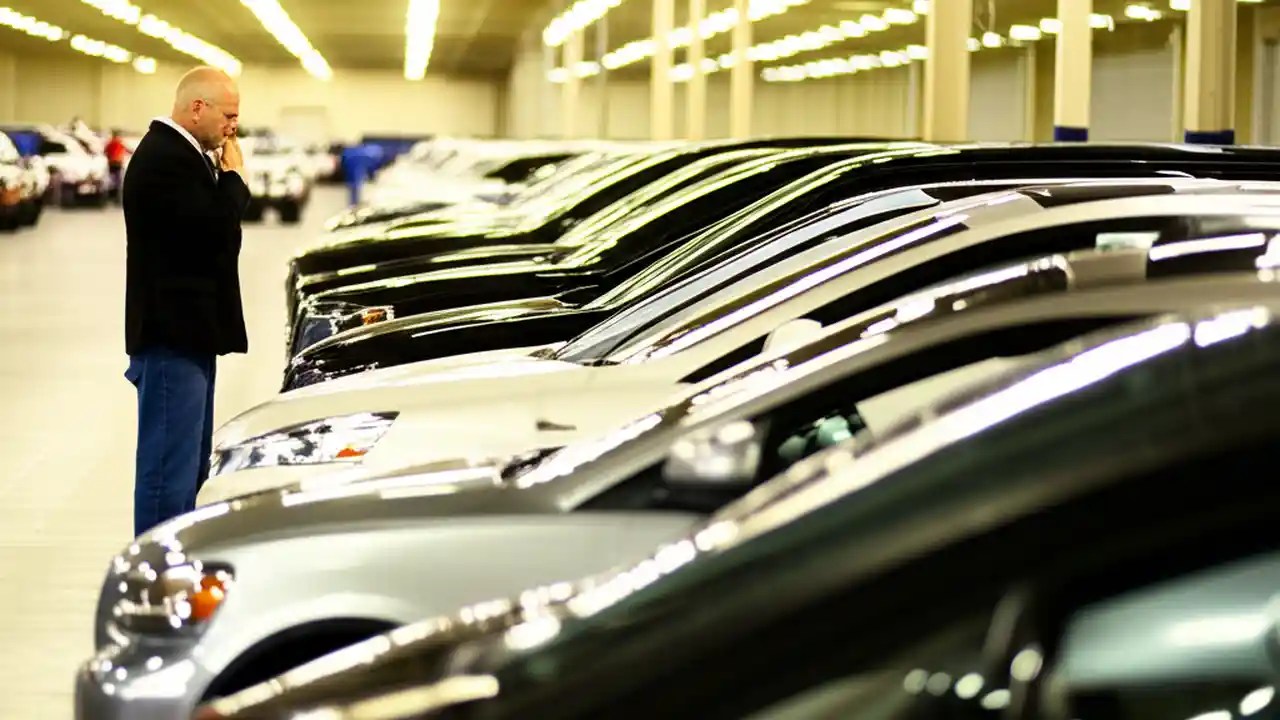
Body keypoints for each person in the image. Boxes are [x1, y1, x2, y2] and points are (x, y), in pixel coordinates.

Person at [122, 66, 249, 536]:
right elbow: (215, 232)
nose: (233, 127)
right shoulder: (165, 159)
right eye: (229, 115)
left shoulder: (185, 156)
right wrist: (234, 180)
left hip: (189, 337)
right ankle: (154, 574)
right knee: (166, 475)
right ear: (198, 107)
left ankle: (177, 558)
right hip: (170, 340)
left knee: (189, 469)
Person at [104, 131, 129, 203]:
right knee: (119, 181)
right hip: (118, 163)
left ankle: (109, 196)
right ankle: (118, 198)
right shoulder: (120, 143)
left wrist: (109, 157)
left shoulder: (109, 143)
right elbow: (128, 150)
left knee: (111, 180)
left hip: (111, 163)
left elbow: (105, 151)